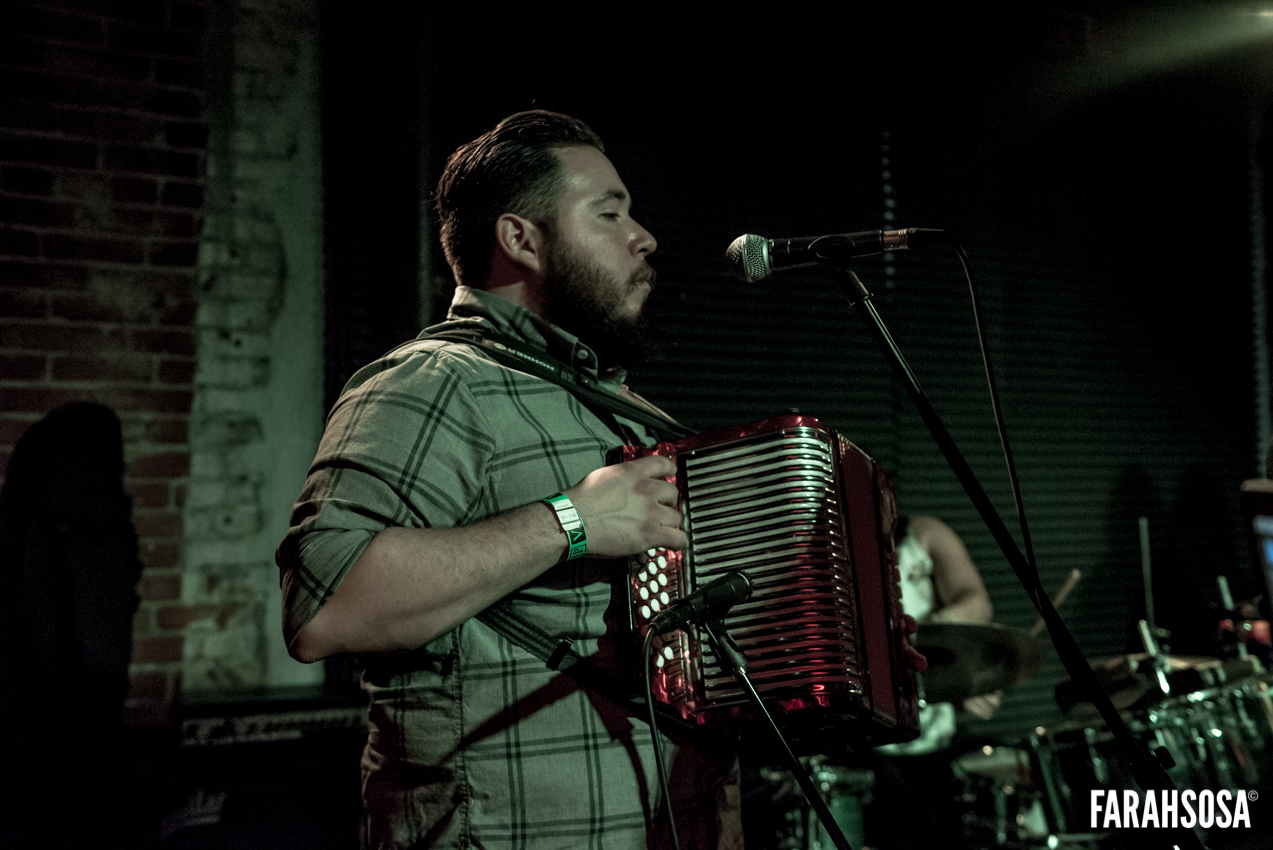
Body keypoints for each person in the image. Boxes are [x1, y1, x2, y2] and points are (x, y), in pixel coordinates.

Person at [276, 111, 741, 849]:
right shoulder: (430, 383)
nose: (642, 235)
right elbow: (322, 608)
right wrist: (571, 521)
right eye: (608, 212)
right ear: (520, 238)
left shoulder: (627, 410)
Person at [860, 514, 997, 850]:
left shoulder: (923, 532)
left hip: (931, 738)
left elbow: (976, 602)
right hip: (861, 747)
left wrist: (934, 645)